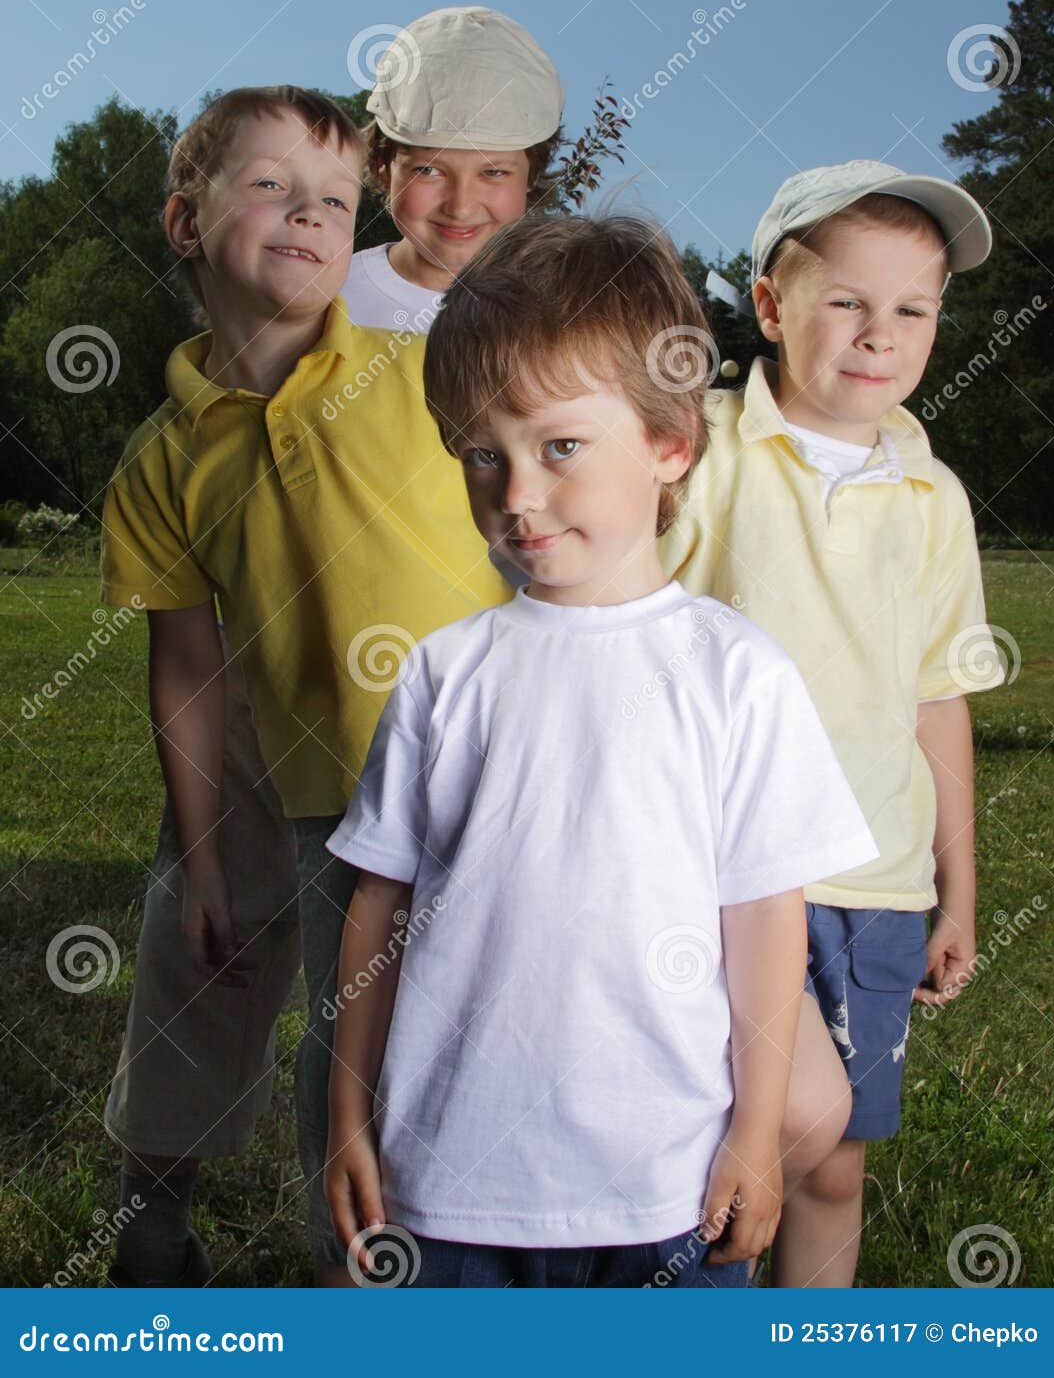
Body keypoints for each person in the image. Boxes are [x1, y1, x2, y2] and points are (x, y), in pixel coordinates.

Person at [324, 214, 878, 1289]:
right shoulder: (443, 673)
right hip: (446, 1180)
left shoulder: (737, 674)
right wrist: (349, 1113)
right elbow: (375, 906)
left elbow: (765, 918)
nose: (515, 495)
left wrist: (753, 1134)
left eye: (558, 446)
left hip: (667, 1185)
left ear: (668, 442)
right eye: (482, 454)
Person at [103, 10, 567, 1288]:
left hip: (416, 737)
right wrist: (197, 842)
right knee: (200, 944)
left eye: (496, 173)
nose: (456, 200)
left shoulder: (457, 348)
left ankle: (362, 1252)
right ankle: (154, 1206)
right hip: (263, 715)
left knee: (371, 1019)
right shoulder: (224, 394)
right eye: (421, 167)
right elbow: (184, 655)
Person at [660, 160, 1005, 1286]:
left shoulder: (929, 493)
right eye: (846, 300)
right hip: (711, 871)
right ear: (768, 305)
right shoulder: (694, 450)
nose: (878, 333)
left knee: (831, 1163)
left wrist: (955, 884)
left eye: (911, 308)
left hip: (872, 882)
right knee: (717, 1151)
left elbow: (934, 696)